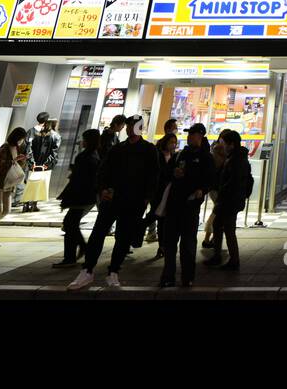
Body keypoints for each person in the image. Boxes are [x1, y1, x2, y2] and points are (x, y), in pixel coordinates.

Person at [68, 115, 160, 290]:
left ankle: (113, 272)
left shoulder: (148, 150)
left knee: (123, 237)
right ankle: (87, 270)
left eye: (134, 126)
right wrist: (103, 189)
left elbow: (154, 176)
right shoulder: (118, 149)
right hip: (112, 199)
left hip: (134, 201)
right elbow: (103, 171)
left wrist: (147, 198)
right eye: (129, 125)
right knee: (98, 233)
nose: (130, 128)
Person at [160, 123, 214, 287]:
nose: (190, 136)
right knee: (170, 244)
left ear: (201, 136)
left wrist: (201, 190)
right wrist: (173, 173)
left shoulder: (206, 157)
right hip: (174, 205)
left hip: (190, 206)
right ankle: (168, 276)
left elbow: (210, 179)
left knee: (188, 244)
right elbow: (165, 174)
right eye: (189, 134)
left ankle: (187, 277)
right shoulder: (180, 155)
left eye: (193, 134)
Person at [54, 129, 101, 268]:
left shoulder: (83, 157)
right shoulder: (95, 155)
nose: (81, 141)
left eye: (83, 139)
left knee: (69, 224)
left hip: (80, 196)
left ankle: (71, 256)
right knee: (70, 223)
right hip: (88, 196)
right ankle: (77, 251)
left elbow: (77, 180)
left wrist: (66, 198)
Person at [205, 130, 251, 269]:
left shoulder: (236, 160)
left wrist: (223, 194)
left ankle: (233, 260)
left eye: (223, 143)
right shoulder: (235, 157)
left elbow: (233, 182)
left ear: (231, 144)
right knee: (219, 225)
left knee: (229, 230)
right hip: (229, 200)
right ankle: (218, 256)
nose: (222, 146)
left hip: (229, 201)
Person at [146, 119, 180, 248]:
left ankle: (161, 244)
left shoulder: (174, 156)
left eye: (175, 143)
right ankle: (143, 231)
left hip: (167, 191)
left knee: (160, 217)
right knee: (155, 214)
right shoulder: (158, 154)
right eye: (171, 142)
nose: (173, 144)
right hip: (157, 190)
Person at [22, 118, 61, 213]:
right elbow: (54, 152)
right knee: (40, 186)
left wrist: (32, 163)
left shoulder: (36, 135)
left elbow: (29, 150)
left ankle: (26, 205)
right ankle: (34, 205)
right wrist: (47, 164)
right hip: (45, 167)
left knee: (30, 184)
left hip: (34, 165)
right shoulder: (56, 136)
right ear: (54, 125)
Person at [201, 131, 229, 252]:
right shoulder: (219, 150)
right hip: (216, 186)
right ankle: (209, 238)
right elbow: (217, 168)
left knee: (218, 211)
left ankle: (210, 238)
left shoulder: (216, 149)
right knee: (218, 212)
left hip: (216, 186)